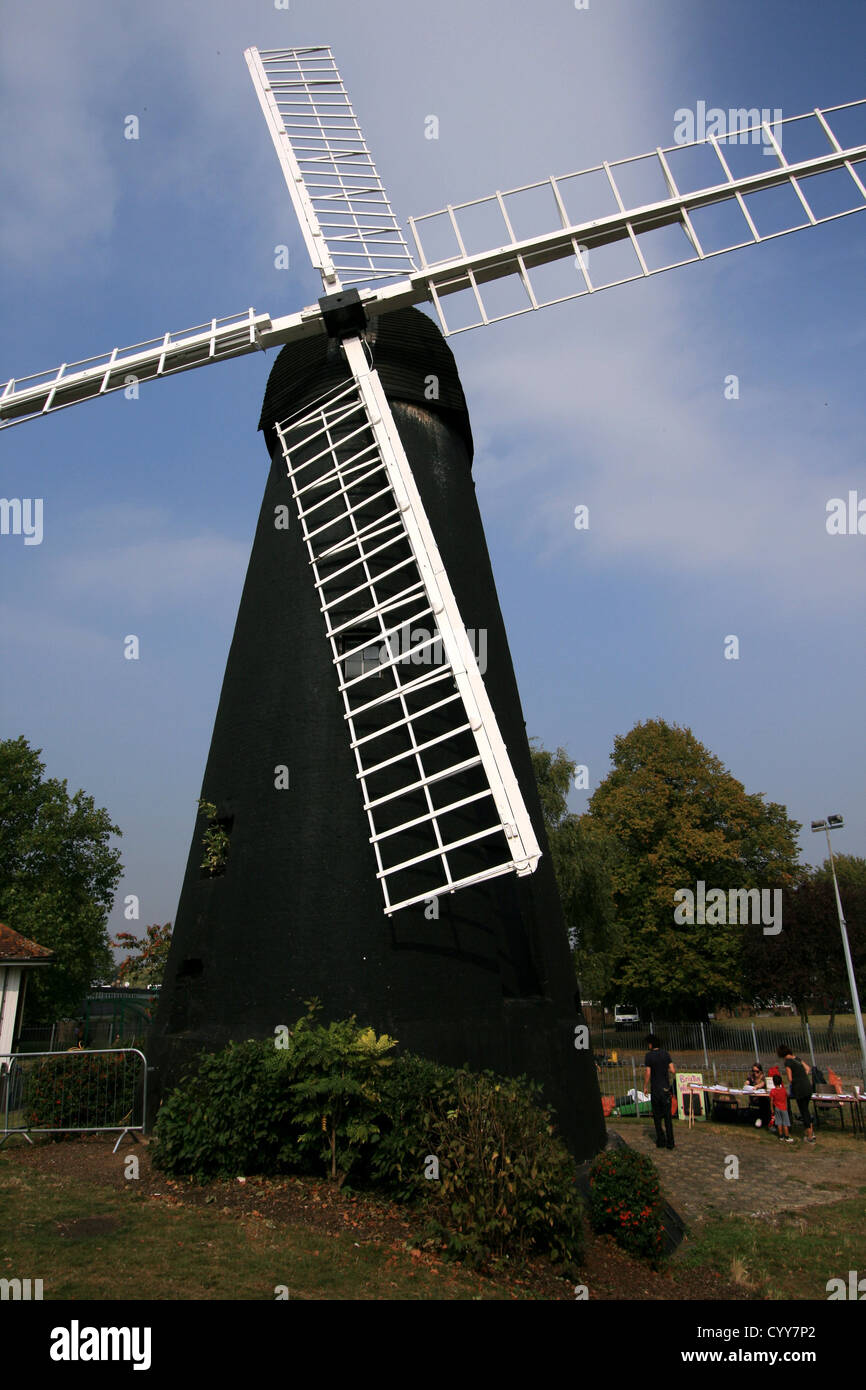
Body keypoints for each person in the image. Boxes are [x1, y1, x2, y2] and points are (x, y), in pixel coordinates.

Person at [778, 1045, 816, 1143]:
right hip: (807, 1086)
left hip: (799, 1089)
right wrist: (802, 1075)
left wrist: (796, 1079)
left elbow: (790, 1079)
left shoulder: (788, 1063)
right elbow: (808, 1068)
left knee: (804, 1112)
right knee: (806, 1110)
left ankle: (810, 1137)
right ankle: (811, 1132)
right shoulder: (797, 1059)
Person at [644, 1034, 676, 1150]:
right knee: (668, 1117)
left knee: (657, 1117)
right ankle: (670, 1142)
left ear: (651, 1044)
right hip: (665, 1089)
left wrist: (645, 1086)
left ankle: (661, 1140)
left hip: (656, 1089)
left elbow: (648, 1072)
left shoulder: (649, 1056)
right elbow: (673, 1070)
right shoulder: (666, 1054)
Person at [770, 1072, 795, 1143]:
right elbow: (787, 1096)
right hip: (784, 1108)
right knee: (785, 1123)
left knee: (779, 1123)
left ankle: (780, 1136)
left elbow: (771, 1101)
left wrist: (772, 1109)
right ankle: (787, 1137)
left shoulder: (773, 1091)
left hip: (777, 1108)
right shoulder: (783, 1090)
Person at [746, 1062, 771, 1128]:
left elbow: (762, 1083)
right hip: (754, 1097)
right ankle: (760, 1119)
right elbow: (747, 1082)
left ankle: (762, 1119)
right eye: (753, 1071)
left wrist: (757, 1086)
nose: (755, 1073)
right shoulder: (751, 1077)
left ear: (760, 1071)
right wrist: (746, 1083)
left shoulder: (764, 1076)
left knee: (763, 1100)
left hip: (763, 1098)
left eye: (757, 1071)